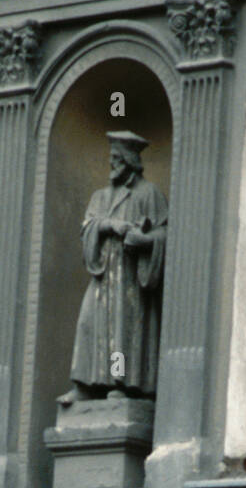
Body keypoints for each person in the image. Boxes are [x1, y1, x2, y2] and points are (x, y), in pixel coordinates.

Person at [59, 130, 167, 405]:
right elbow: (88, 227)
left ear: (131, 160)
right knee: (88, 324)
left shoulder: (148, 194)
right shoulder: (100, 197)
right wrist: (110, 225)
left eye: (118, 158)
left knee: (122, 330)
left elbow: (165, 234)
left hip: (129, 280)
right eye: (111, 158)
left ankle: (121, 383)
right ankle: (84, 384)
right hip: (103, 275)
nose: (112, 164)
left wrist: (143, 240)